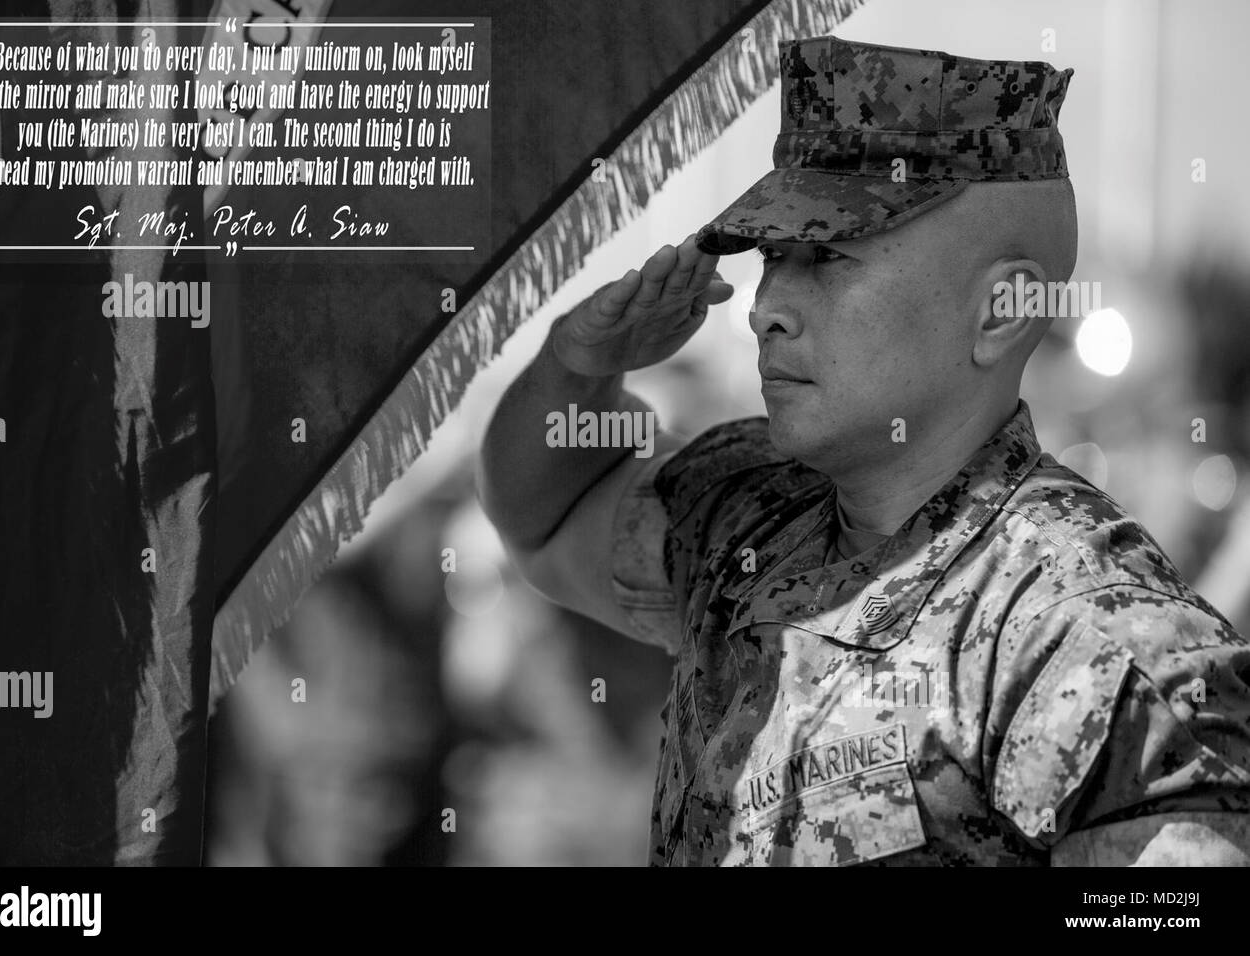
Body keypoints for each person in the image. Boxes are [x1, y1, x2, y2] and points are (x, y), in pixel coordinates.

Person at [478, 35, 1250, 866]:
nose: (766, 305)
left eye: (828, 257)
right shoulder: (747, 517)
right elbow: (542, 521)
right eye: (775, 254)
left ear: (1001, 311)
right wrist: (577, 370)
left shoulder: (1092, 637)